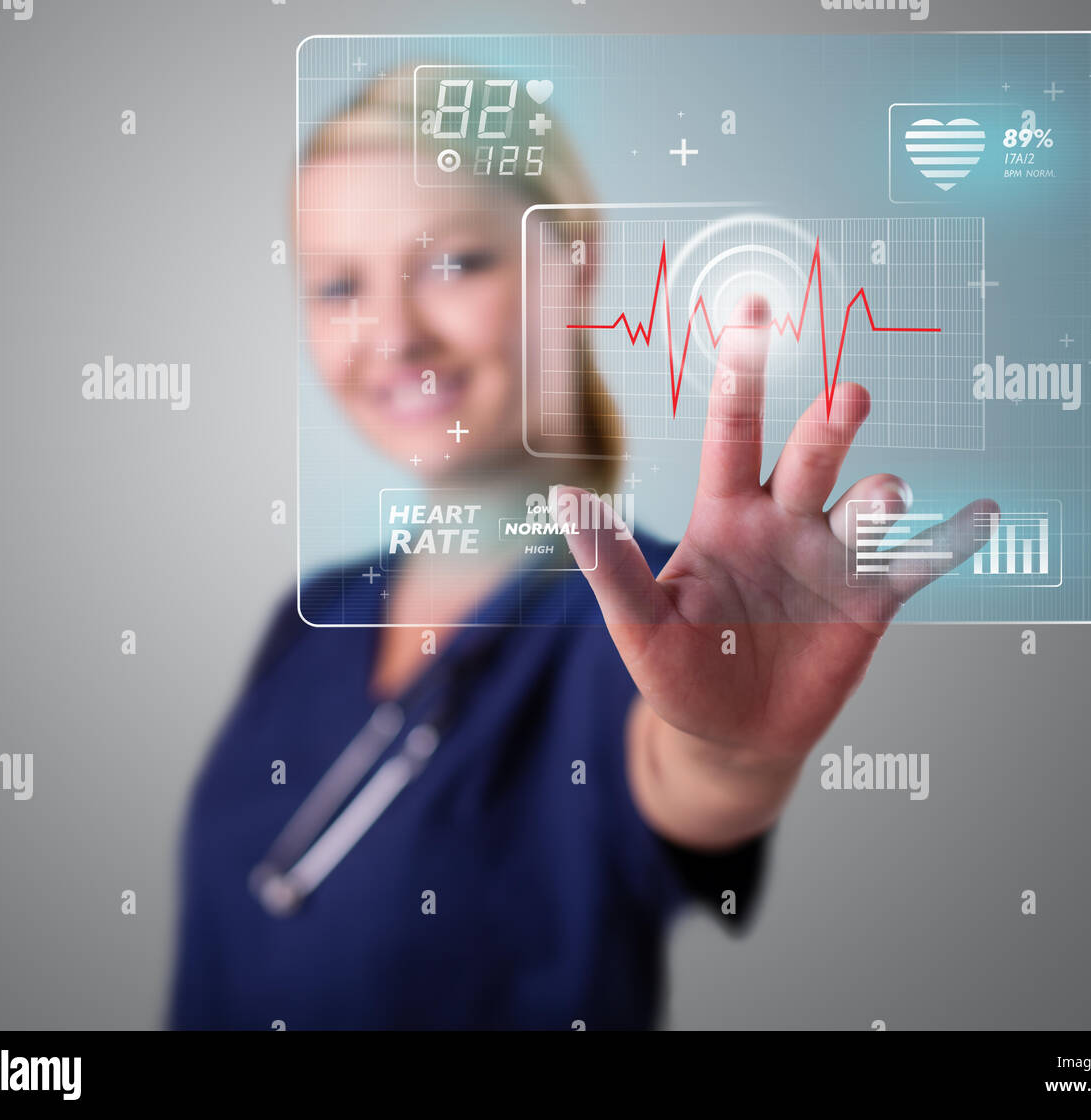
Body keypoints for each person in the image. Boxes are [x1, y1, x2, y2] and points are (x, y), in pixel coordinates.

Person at [168, 71, 989, 1030]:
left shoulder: (653, 620)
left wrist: (731, 748)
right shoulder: (315, 618)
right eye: (339, 285)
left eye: (454, 262)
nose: (391, 333)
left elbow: (690, 769)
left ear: (575, 265)